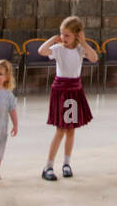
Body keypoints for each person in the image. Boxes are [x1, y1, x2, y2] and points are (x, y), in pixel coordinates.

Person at [39, 16, 96, 180]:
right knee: (60, 129)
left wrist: (84, 43)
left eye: (67, 35)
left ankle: (66, 163)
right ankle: (48, 166)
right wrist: (52, 39)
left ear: (77, 35)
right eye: (62, 34)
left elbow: (94, 58)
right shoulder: (58, 48)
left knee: (71, 130)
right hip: (61, 90)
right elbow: (42, 51)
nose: (63, 38)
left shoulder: (79, 50)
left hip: (75, 90)